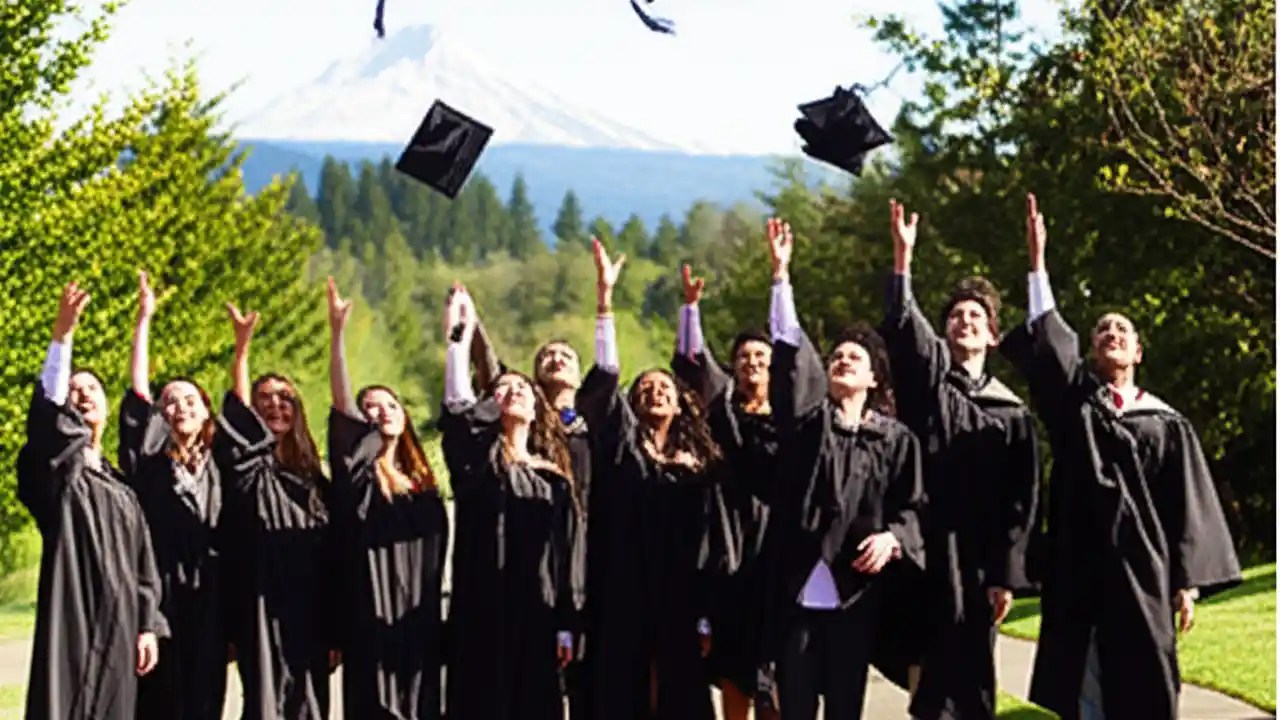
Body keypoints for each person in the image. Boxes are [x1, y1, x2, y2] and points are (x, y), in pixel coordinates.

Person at [1000, 193, 1242, 720]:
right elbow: (1049, 348)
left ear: (1137, 352)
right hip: (1081, 570)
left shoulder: (1166, 422)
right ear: (1091, 352)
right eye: (1101, 330)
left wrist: (1186, 582)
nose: (1111, 334)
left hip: (1145, 573)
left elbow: (1186, 506)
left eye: (1122, 331)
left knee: (1147, 678)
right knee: (1084, 685)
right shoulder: (1076, 407)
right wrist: (1038, 264)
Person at [877, 201, 1041, 719]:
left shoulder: (1011, 414)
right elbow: (906, 333)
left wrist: (1006, 575)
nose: (964, 321)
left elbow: (1023, 502)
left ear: (994, 335)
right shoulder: (932, 388)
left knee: (971, 673)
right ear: (945, 333)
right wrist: (903, 262)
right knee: (925, 670)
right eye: (956, 316)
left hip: (976, 562)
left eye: (976, 316)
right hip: (926, 548)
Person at [763, 217, 926, 720]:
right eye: (836, 355)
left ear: (874, 377)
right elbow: (790, 353)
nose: (841, 360)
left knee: (844, 709)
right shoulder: (810, 426)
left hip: (856, 597)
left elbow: (914, 508)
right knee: (794, 707)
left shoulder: (894, 439)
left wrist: (893, 539)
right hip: (799, 591)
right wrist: (780, 276)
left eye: (854, 356)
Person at [578, 239, 734, 720]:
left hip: (682, 591)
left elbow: (697, 376)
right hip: (623, 586)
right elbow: (604, 384)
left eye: (663, 387)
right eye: (644, 388)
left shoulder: (698, 462)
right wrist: (604, 302)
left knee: (682, 694)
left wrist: (690, 312)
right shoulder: (622, 449)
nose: (654, 391)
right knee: (622, 691)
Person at [18, 281, 167, 720]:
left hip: (121, 629)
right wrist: (62, 337)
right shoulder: (61, 472)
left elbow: (145, 568)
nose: (84, 395)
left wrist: (147, 625)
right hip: (73, 618)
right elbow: (48, 421)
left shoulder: (123, 490)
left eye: (93, 390)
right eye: (74, 391)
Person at [440, 284, 577, 720]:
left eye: (523, 388)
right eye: (504, 388)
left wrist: (566, 625)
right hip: (480, 609)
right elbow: (459, 403)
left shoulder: (553, 479)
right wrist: (459, 339)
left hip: (536, 614)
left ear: (539, 410)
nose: (514, 391)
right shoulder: (476, 463)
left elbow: (567, 560)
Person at [326, 278, 449, 719]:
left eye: (390, 405)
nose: (380, 412)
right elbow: (342, 407)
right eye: (370, 407)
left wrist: (457, 337)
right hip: (370, 616)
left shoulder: (425, 486)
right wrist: (338, 334)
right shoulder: (358, 477)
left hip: (421, 623)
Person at [669, 264, 780, 720]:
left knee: (776, 676)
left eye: (760, 357)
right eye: (743, 358)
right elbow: (695, 368)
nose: (752, 364)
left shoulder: (794, 420)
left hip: (775, 553)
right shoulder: (721, 416)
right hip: (728, 550)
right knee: (733, 670)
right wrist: (691, 309)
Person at [470, 313, 593, 720]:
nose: (556, 359)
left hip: (566, 591)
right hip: (509, 595)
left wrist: (566, 619)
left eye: (566, 355)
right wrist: (470, 327)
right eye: (547, 355)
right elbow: (488, 374)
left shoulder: (584, 441)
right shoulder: (496, 448)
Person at [214, 302, 333, 719]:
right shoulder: (247, 470)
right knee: (264, 703)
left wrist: (335, 627)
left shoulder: (316, 482)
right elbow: (239, 420)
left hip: (310, 610)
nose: (276, 406)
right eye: (266, 399)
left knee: (311, 704)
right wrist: (242, 353)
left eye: (285, 399)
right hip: (258, 606)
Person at [119, 271, 226, 720]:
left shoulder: (222, 467)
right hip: (160, 600)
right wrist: (144, 320)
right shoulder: (149, 463)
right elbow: (139, 394)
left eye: (190, 399)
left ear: (206, 411)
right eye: (172, 400)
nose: (180, 405)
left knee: (205, 702)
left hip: (211, 602)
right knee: (160, 702)